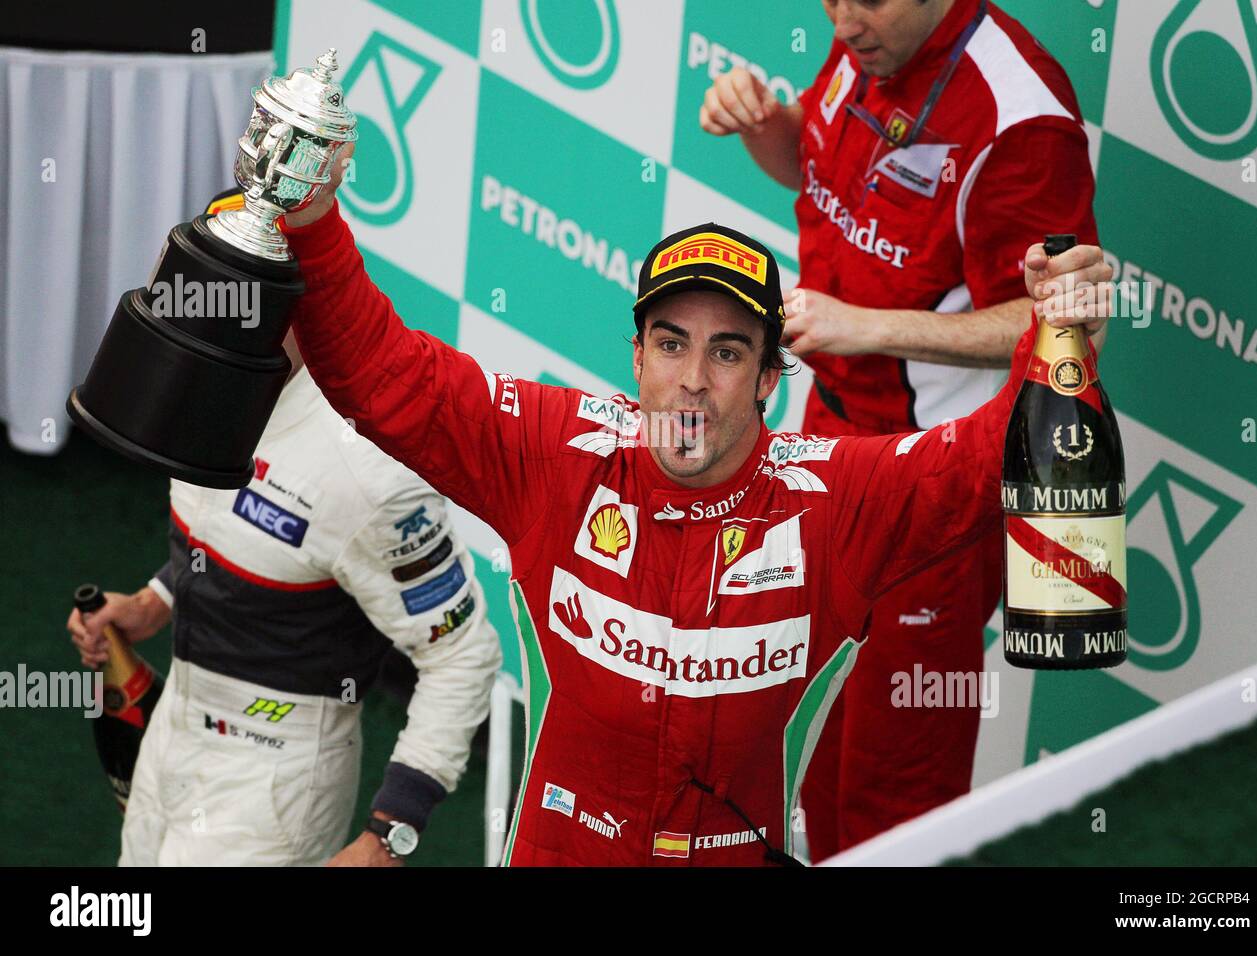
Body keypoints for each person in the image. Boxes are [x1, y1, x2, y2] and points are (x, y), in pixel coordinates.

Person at [271, 145, 1111, 866]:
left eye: (729, 352)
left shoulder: (837, 496)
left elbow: (991, 460)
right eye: (671, 344)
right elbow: (383, 378)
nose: (694, 380)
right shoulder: (553, 455)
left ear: (770, 382)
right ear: (636, 357)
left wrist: (1061, 339)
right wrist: (310, 221)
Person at [700, 0, 1103, 859]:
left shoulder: (1020, 116)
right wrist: (768, 128)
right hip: (827, 439)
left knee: (897, 796)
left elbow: (1067, 326)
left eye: (870, 0)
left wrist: (870, 326)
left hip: (935, 485)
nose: (843, 20)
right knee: (805, 739)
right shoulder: (870, 43)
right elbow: (819, 174)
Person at [68, 192, 502, 866]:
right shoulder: (200, 377)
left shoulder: (368, 470)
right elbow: (230, 533)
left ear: (292, 307)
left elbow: (461, 656)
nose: (198, 324)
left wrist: (390, 835)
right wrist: (156, 601)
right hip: (176, 722)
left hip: (275, 778)